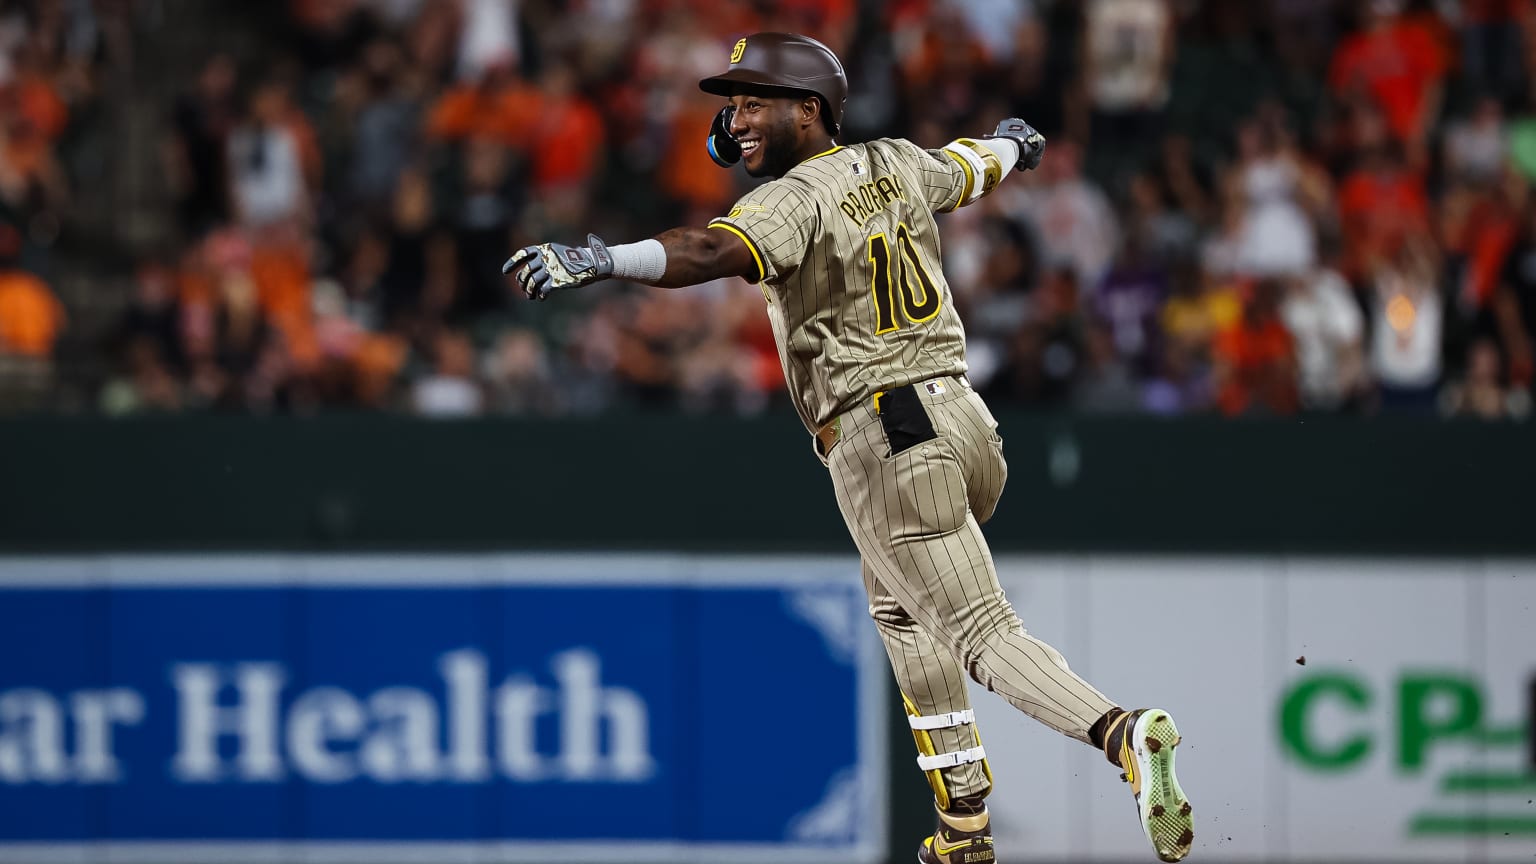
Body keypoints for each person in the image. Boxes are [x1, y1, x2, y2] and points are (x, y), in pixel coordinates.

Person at [502, 32, 1194, 864]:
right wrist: (1015, 144)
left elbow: (709, 250)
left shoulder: (795, 197)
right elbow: (969, 165)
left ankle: (1122, 734)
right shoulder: (897, 160)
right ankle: (964, 826)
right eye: (734, 102)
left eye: (755, 99)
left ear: (810, 108)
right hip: (965, 427)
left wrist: (601, 258)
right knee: (901, 608)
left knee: (978, 629)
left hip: (886, 436)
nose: (737, 116)